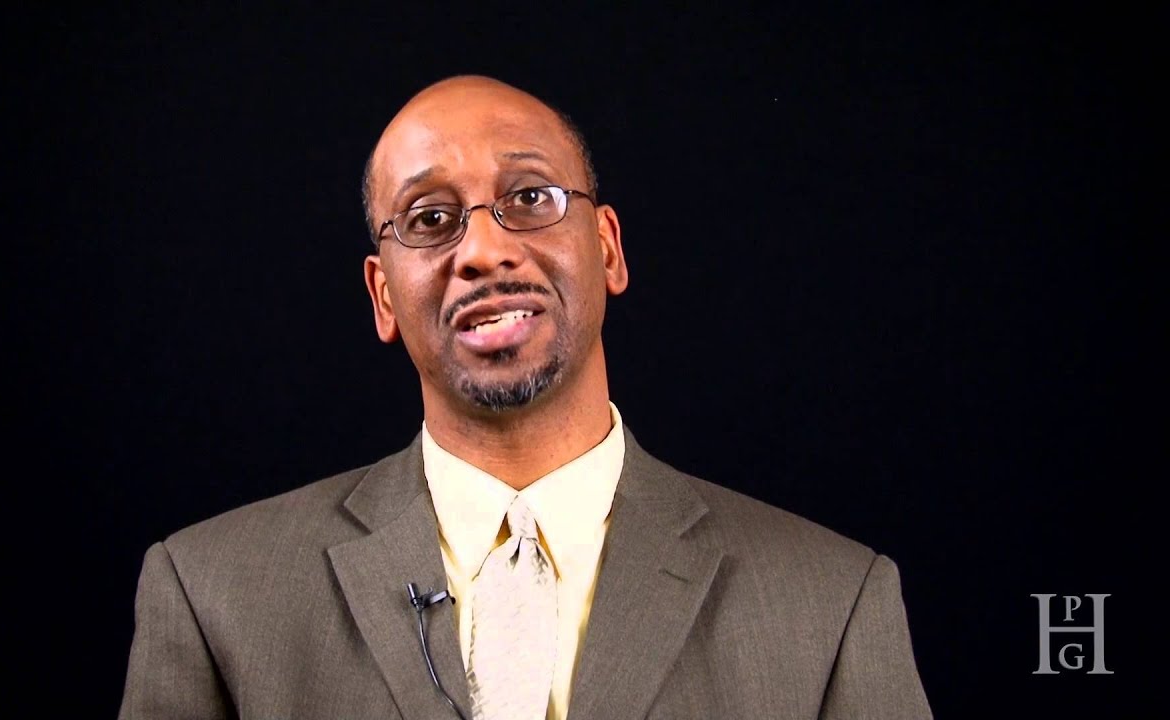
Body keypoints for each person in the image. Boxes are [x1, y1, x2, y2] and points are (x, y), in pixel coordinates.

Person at [119, 75, 933, 720]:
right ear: (382, 296)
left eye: (530, 198)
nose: (483, 248)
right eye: (429, 218)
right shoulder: (212, 594)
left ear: (607, 248)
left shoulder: (831, 604)